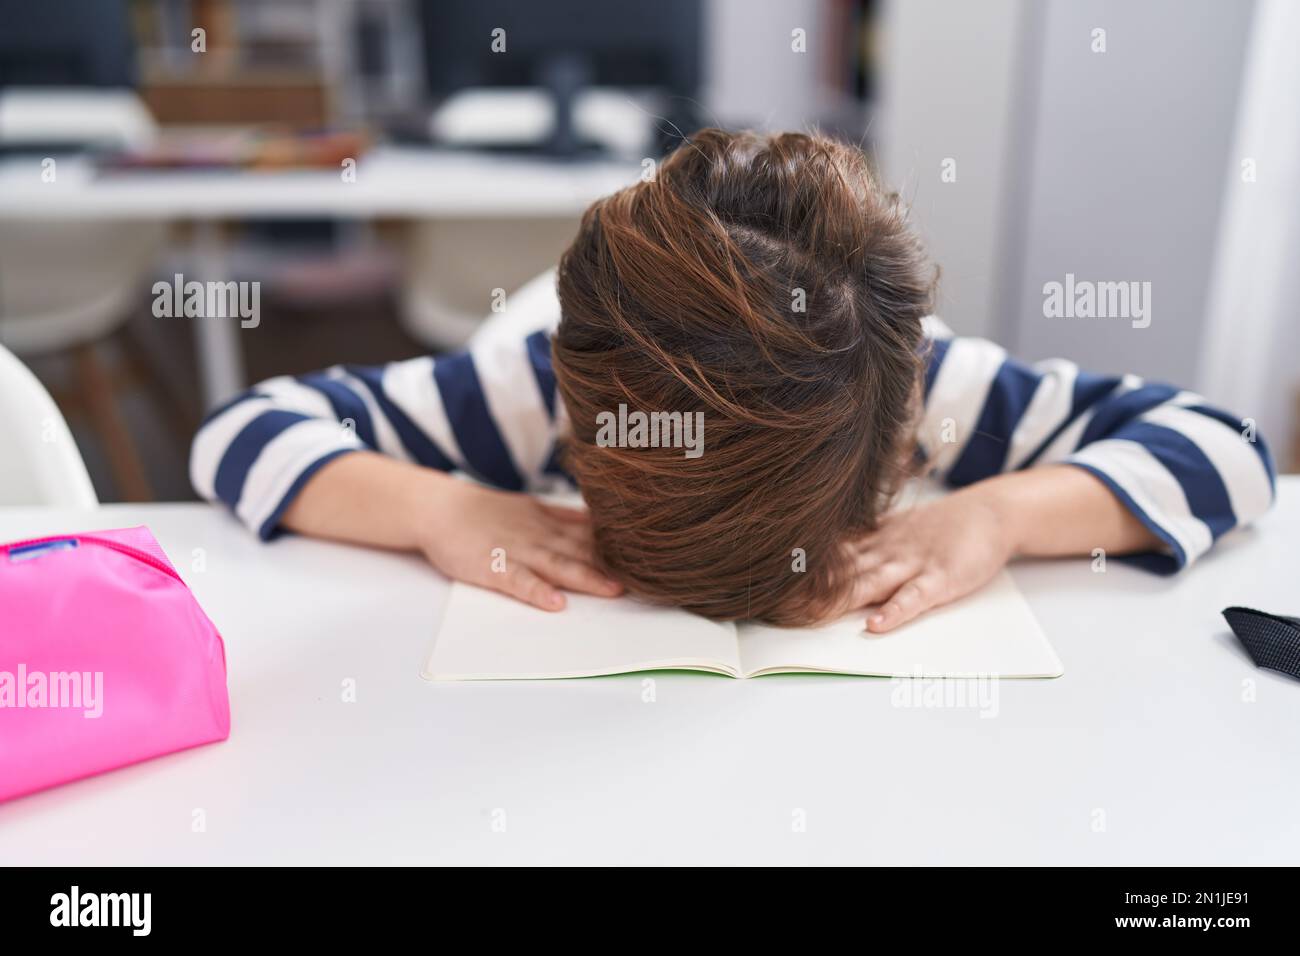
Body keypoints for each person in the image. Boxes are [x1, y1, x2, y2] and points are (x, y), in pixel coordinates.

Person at [190, 129, 1275, 629]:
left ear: (900, 438)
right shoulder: (538, 388)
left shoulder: (933, 390)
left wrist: (999, 515)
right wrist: (441, 503)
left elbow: (1229, 447)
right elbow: (241, 431)